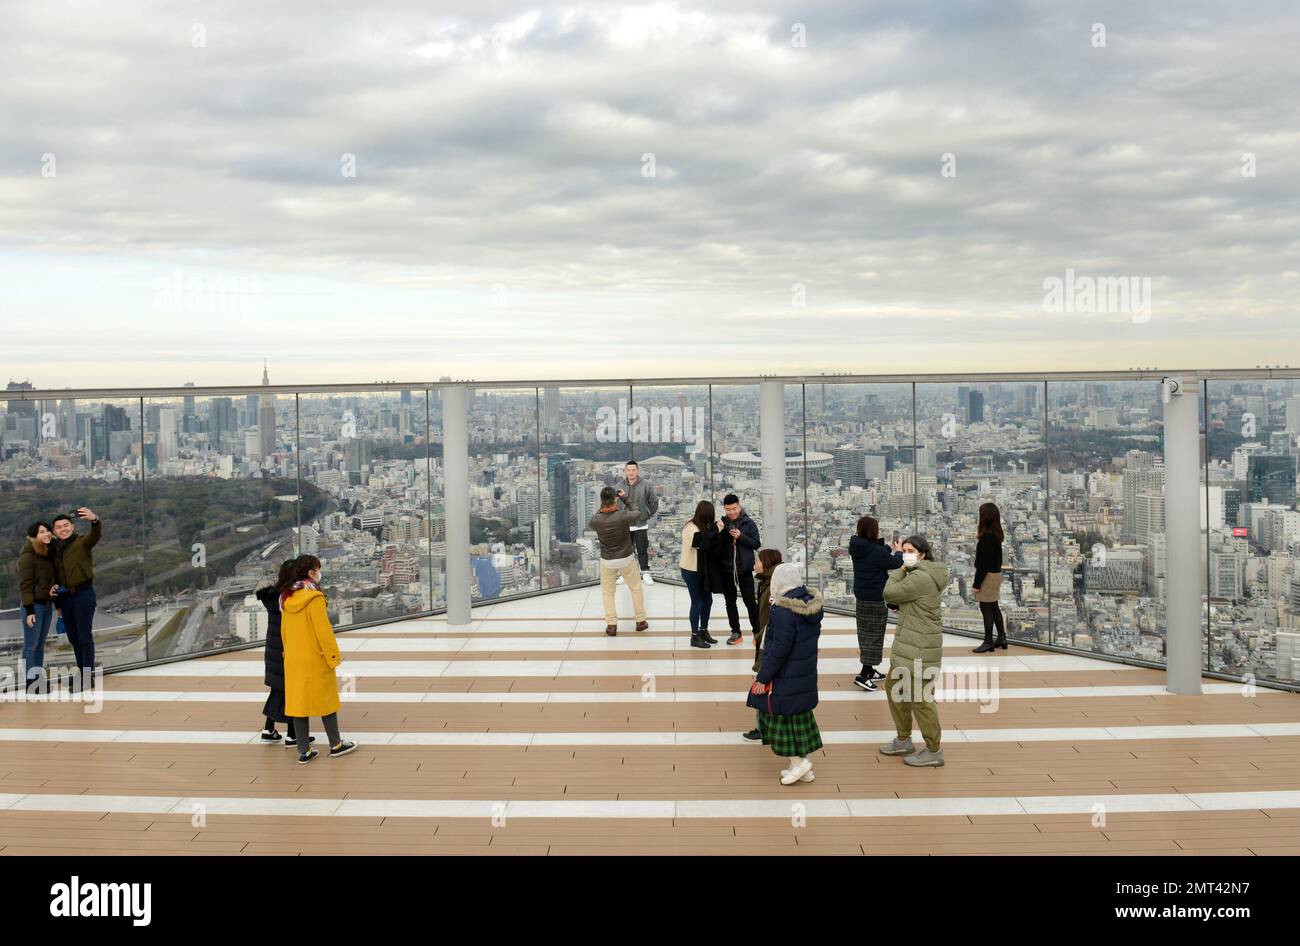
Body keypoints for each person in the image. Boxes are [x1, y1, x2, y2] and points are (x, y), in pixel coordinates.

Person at [747, 562, 824, 785]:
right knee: (796, 717)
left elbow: (778, 649)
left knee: (779, 718)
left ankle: (800, 763)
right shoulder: (809, 604)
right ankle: (800, 768)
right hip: (803, 673)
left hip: (785, 675)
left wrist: (762, 678)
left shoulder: (783, 610)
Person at [880, 536, 950, 767]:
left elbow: (889, 592)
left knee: (921, 698)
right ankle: (903, 739)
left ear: (923, 554)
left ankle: (934, 750)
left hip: (920, 645)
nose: (906, 554)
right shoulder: (922, 573)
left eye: (910, 551)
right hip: (911, 643)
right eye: (904, 550)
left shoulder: (920, 577)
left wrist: (900, 568)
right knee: (895, 686)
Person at [280, 555, 356, 764]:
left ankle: (304, 751)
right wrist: (333, 656)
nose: (319, 573)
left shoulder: (287, 598)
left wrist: (287, 654)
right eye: (317, 569)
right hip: (315, 658)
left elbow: (284, 632)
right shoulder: (314, 598)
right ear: (310, 573)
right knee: (326, 700)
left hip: (294, 659)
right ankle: (336, 744)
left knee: (298, 704)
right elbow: (324, 632)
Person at [257, 559, 312, 749]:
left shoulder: (272, 596)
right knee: (291, 691)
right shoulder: (289, 598)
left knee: (279, 690)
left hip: (273, 649)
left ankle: (269, 730)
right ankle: (292, 734)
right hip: (286, 649)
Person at [848, 515, 904, 691]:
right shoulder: (874, 551)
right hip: (875, 597)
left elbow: (875, 553)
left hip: (862, 596)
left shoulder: (856, 546)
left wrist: (887, 547)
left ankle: (870, 670)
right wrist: (899, 550)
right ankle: (864, 675)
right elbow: (896, 562)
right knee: (875, 635)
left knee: (865, 634)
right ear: (873, 531)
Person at [49, 508, 101, 685]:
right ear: (54, 531)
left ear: (72, 526)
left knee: (84, 636)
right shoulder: (55, 550)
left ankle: (87, 677)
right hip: (65, 598)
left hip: (83, 594)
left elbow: (95, 536)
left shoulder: (82, 542)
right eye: (58, 527)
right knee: (74, 638)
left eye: (66, 525)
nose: (63, 529)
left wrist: (94, 520)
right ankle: (82, 673)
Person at [588, 486, 649, 636]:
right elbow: (637, 513)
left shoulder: (596, 521)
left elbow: (595, 517)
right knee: (635, 588)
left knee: (608, 593)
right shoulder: (622, 516)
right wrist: (625, 498)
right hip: (626, 557)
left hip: (607, 560)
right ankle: (640, 621)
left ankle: (611, 625)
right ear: (615, 499)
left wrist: (604, 505)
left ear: (601, 501)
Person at [742, 548, 783, 741]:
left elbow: (769, 619)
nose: (754, 563)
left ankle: (764, 728)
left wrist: (760, 636)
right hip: (766, 639)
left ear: (765, 564)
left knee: (763, 680)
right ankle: (766, 726)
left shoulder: (771, 588)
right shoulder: (769, 583)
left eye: (757, 560)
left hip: (767, 642)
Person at [716, 493, 761, 646]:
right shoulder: (722, 523)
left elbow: (756, 543)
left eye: (734, 508)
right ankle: (736, 632)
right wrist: (718, 532)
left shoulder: (749, 523)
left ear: (739, 506)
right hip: (726, 569)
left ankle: (757, 631)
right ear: (724, 509)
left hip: (744, 569)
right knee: (730, 602)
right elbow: (716, 545)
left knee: (750, 602)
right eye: (728, 509)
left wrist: (741, 536)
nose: (732, 512)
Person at [17, 521, 57, 692]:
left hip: (47, 605)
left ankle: (37, 679)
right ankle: (31, 682)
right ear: (33, 536)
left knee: (39, 645)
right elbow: (25, 585)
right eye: (41, 532)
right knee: (31, 645)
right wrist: (30, 610)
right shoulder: (28, 556)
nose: (46, 534)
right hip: (33, 607)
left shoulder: (47, 552)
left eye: (48, 530)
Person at [680, 500, 720, 649]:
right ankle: (694, 636)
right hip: (691, 570)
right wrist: (715, 530)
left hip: (702, 570)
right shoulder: (690, 528)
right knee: (697, 602)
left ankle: (703, 631)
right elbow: (700, 543)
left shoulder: (704, 527)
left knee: (707, 600)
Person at [614, 460, 659, 585]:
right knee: (626, 551)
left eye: (633, 470)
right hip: (625, 523)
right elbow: (613, 503)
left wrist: (647, 514)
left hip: (640, 523)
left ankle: (645, 573)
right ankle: (625, 574)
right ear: (625, 471)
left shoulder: (646, 485)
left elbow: (654, 501)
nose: (631, 473)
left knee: (642, 549)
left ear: (637, 471)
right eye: (628, 470)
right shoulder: (618, 486)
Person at [972, 502, 1007, 653]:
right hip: (996, 574)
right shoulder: (996, 535)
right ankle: (1001, 638)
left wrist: (976, 584)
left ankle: (988, 641)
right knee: (994, 607)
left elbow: (983, 564)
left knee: (986, 608)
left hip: (988, 576)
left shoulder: (986, 537)